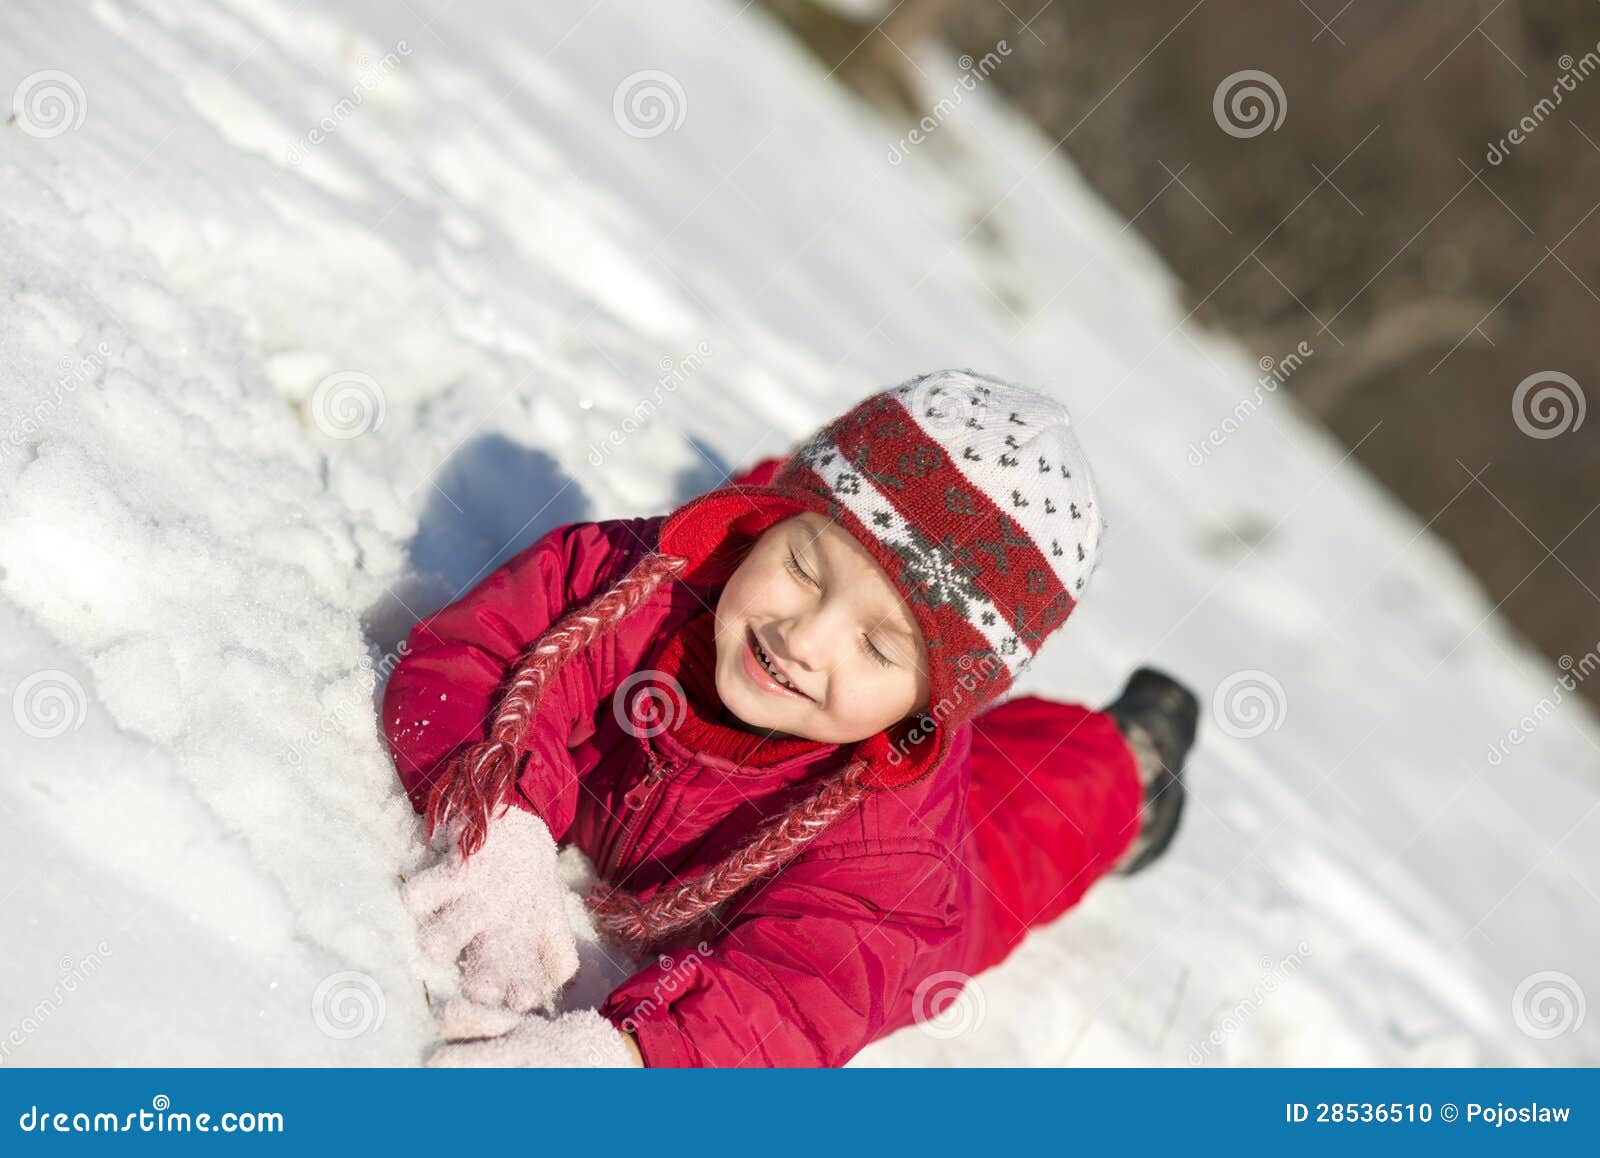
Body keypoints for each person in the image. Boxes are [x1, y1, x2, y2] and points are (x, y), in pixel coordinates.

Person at [381, 368, 1200, 1067]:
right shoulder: (643, 582)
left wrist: (631, 1058)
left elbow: (797, 995)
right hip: (854, 663)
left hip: (910, 814)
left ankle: (1127, 758)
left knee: (1030, 814)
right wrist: (505, 820)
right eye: (803, 567)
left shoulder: (900, 861)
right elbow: (486, 656)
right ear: (767, 521)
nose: (804, 639)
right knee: (834, 580)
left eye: (877, 646)